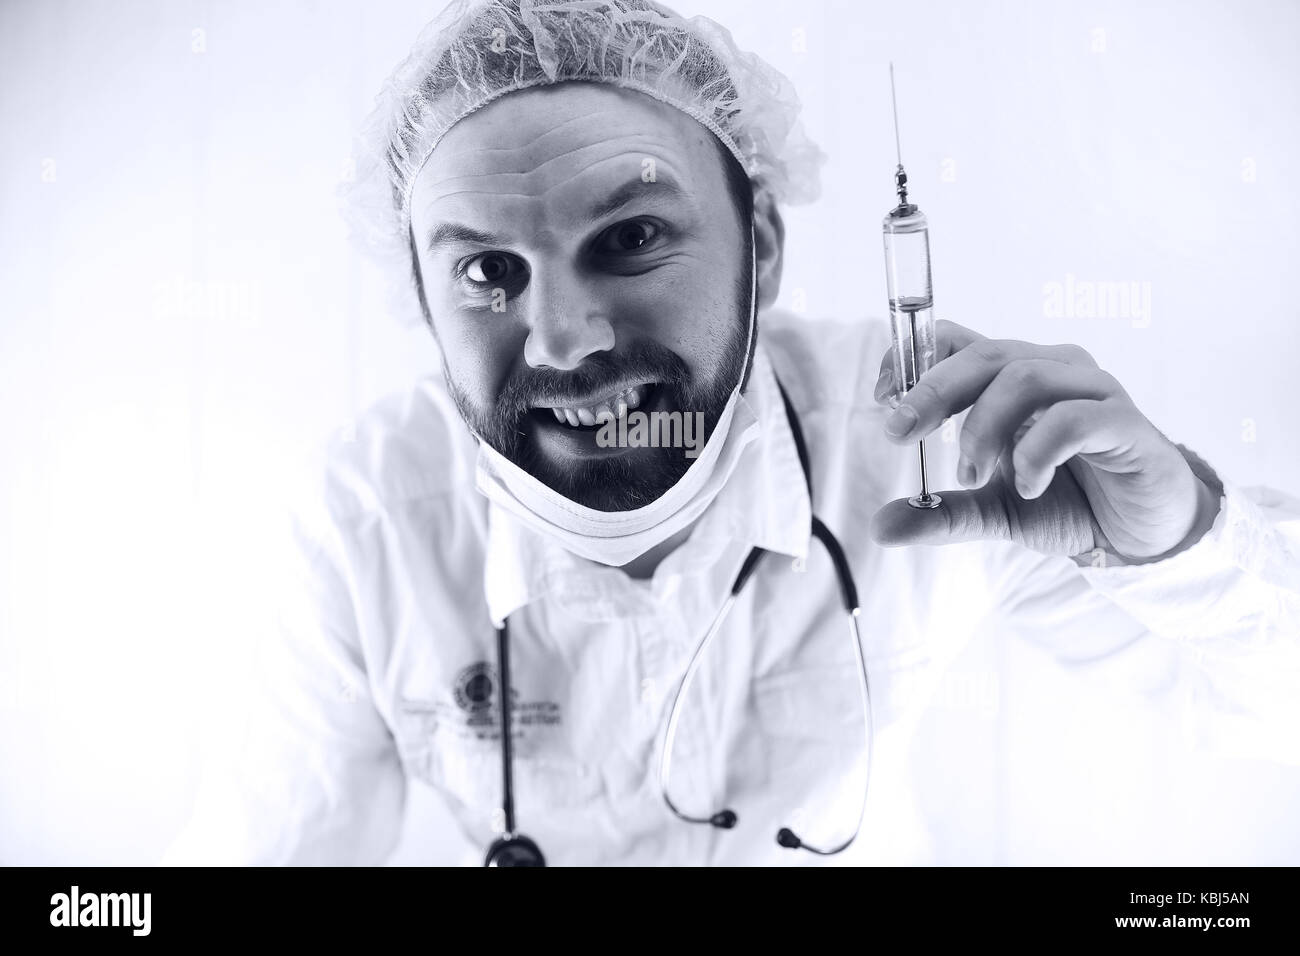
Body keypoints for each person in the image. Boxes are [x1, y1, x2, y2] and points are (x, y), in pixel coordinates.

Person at [163, 0, 1300, 866]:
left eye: (632, 235)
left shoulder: (922, 443)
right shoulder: (368, 522)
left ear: (760, 243)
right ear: (420, 302)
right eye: (486, 271)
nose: (561, 339)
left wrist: (1176, 538)